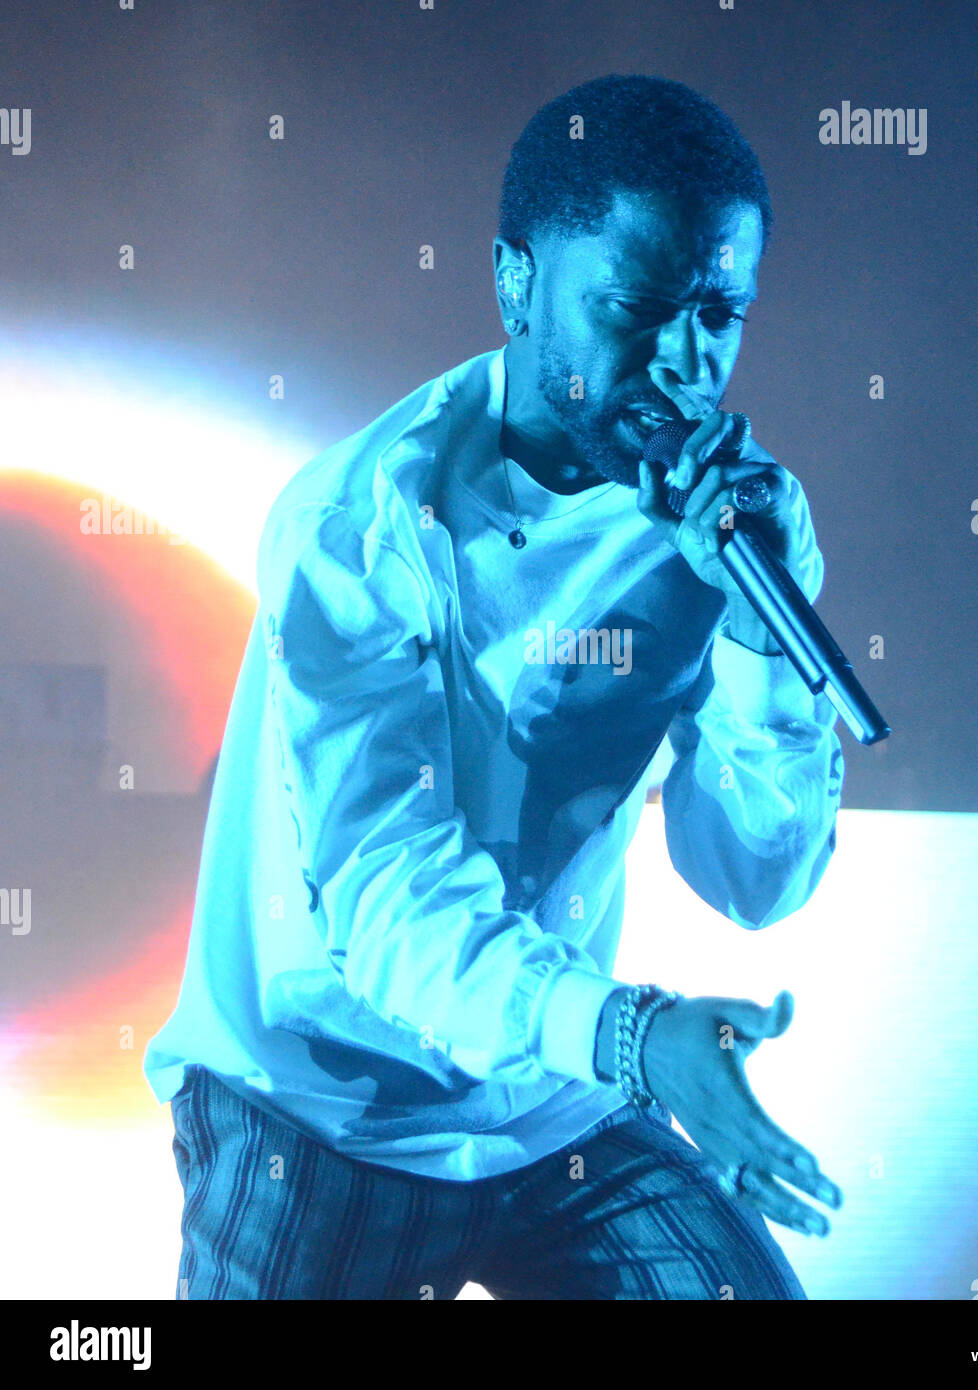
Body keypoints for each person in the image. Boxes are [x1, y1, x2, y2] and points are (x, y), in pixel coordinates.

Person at [144, 73, 846, 1301]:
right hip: (320, 1109)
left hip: (552, 1101)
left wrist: (757, 644)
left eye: (722, 312)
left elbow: (753, 879)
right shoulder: (360, 522)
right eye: (638, 306)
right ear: (517, 281)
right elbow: (385, 896)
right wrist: (632, 1038)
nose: (688, 362)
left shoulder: (731, 531)